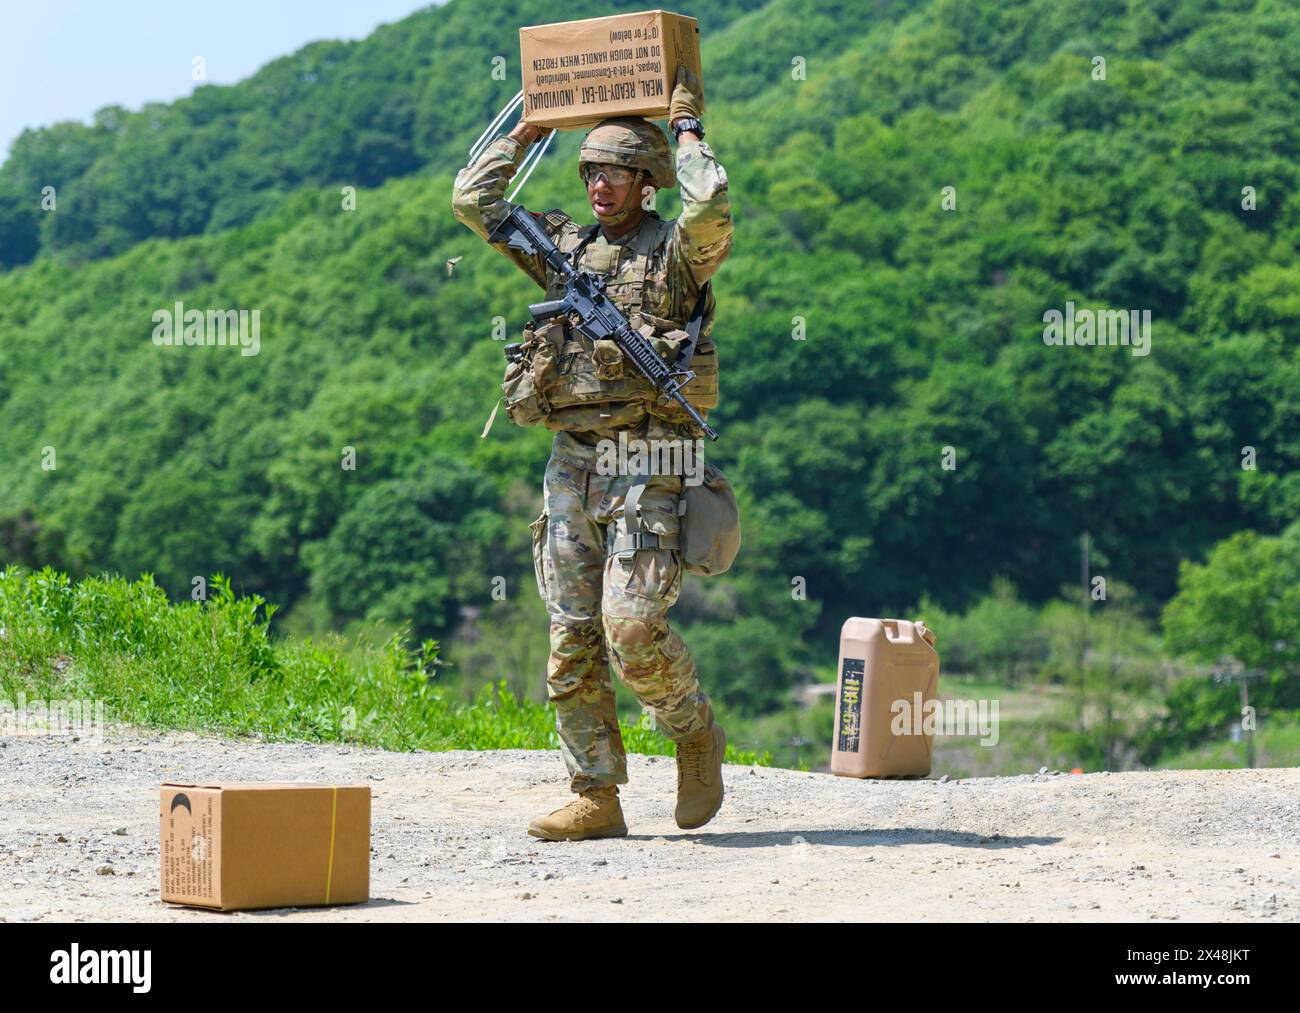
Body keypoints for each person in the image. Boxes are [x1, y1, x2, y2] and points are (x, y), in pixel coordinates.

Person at [452, 67, 734, 840]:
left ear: (648, 184)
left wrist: (685, 132)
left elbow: (710, 204)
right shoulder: (563, 249)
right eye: (591, 173)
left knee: (632, 625)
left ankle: (692, 729)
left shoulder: (676, 261)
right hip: (574, 458)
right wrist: (527, 132)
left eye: (616, 173)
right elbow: (475, 204)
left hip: (651, 461)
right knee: (571, 630)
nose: (600, 186)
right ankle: (594, 791)